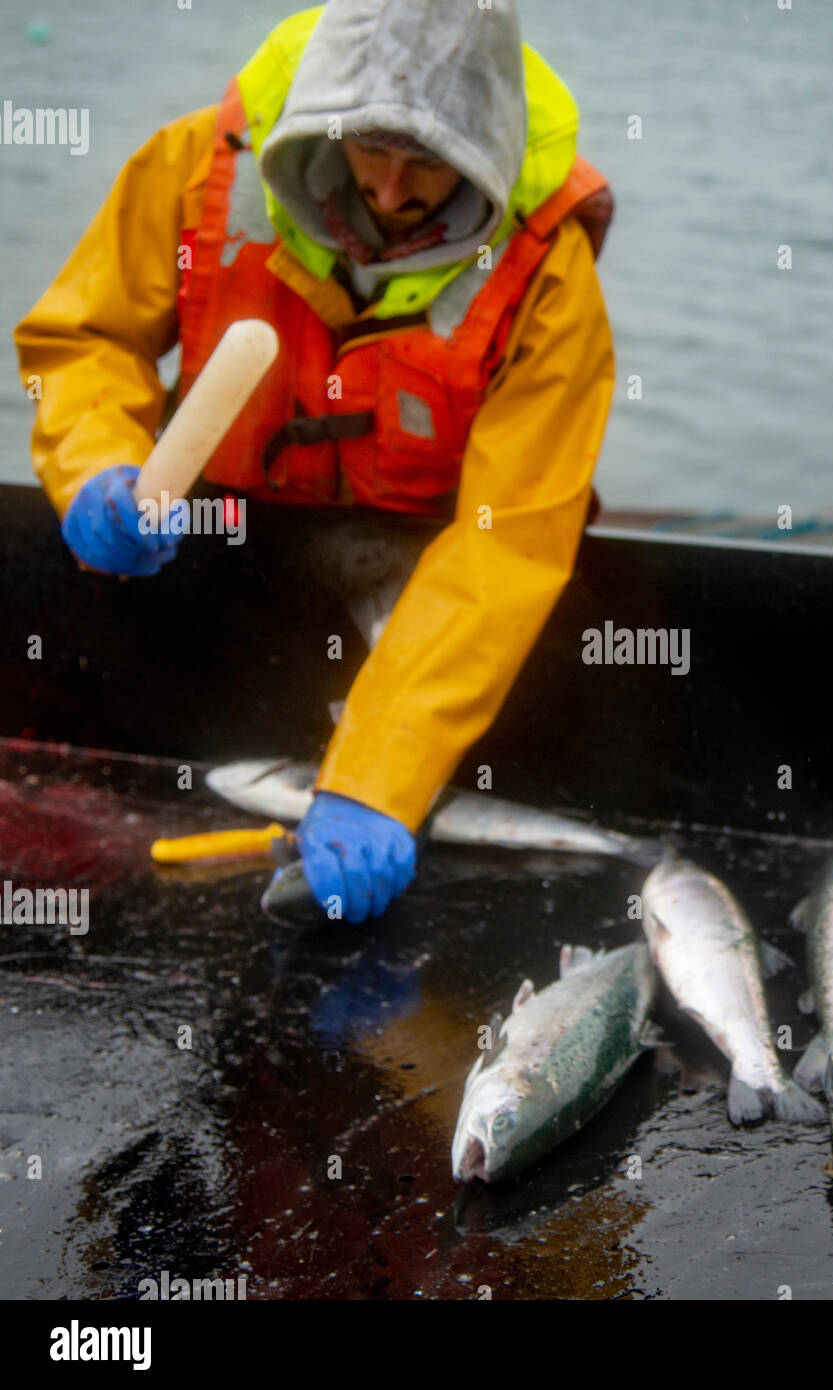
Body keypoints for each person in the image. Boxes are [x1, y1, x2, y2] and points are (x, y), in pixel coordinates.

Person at [13, 0, 616, 923]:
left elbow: (511, 541)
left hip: (425, 565)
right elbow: (86, 339)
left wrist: (382, 777)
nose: (387, 188)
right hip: (215, 538)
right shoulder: (193, 169)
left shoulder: (549, 272)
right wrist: (96, 465)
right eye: (366, 146)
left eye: (428, 161)